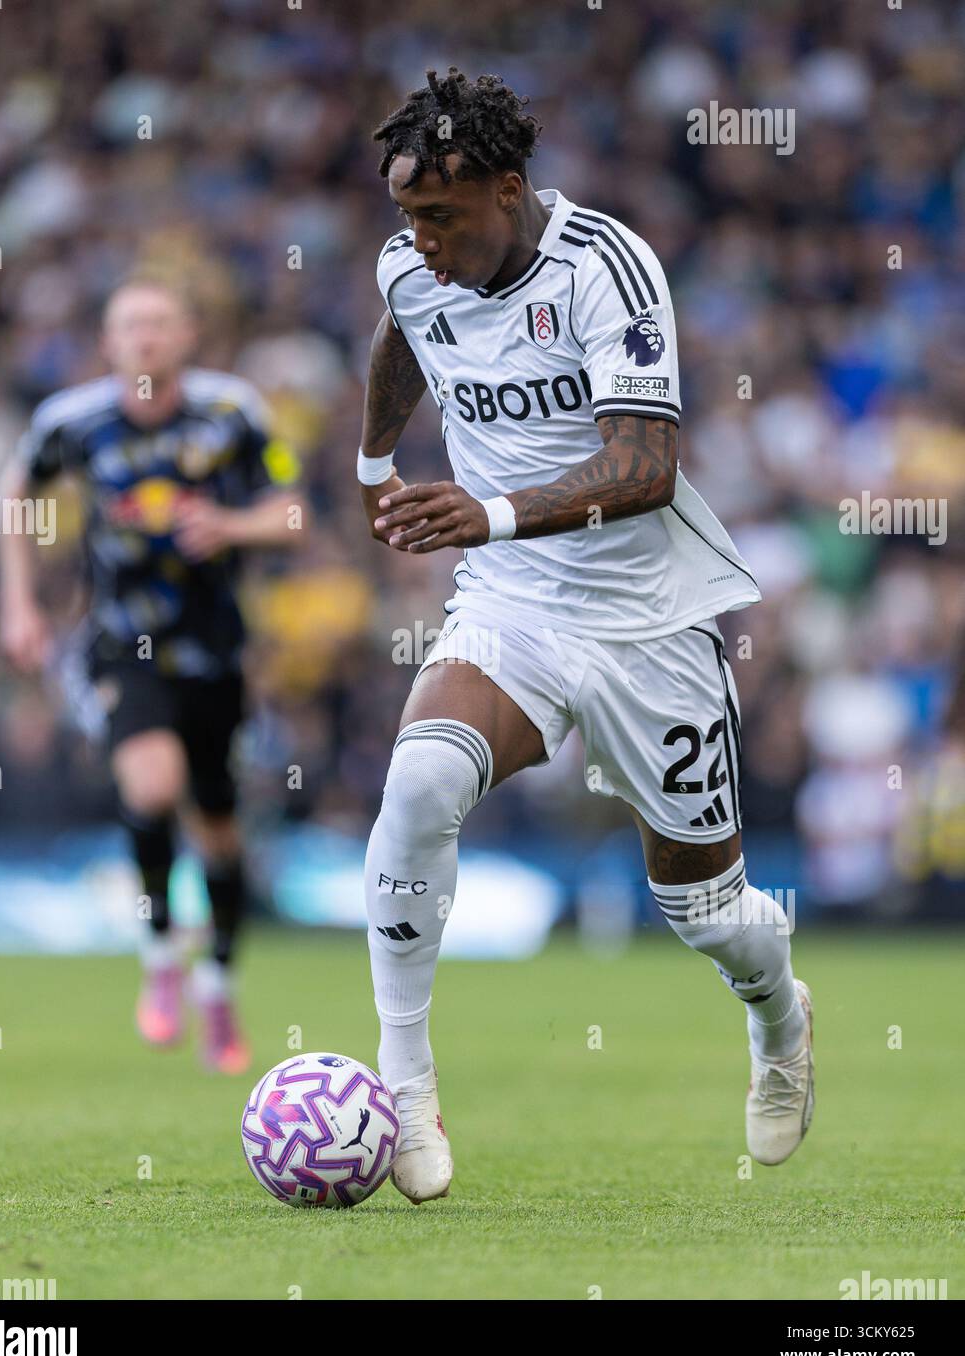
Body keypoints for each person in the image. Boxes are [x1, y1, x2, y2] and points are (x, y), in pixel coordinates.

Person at [358, 69, 813, 1203]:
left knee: (706, 914)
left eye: (441, 218)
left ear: (507, 190)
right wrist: (375, 465)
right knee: (416, 786)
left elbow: (646, 469)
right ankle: (404, 1083)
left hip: (648, 624)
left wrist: (489, 509)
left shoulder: (606, 267)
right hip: (513, 603)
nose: (418, 243)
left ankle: (781, 1014)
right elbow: (404, 333)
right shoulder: (414, 266)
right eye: (405, 218)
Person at [0, 277, 303, 1074]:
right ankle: (161, 950)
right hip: (118, 642)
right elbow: (12, 495)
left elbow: (293, 511)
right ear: (107, 341)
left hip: (215, 652)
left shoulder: (233, 413)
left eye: (160, 323)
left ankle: (220, 987)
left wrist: (233, 524)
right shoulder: (72, 422)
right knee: (151, 789)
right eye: (129, 323)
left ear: (188, 336)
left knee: (221, 831)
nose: (144, 337)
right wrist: (19, 605)